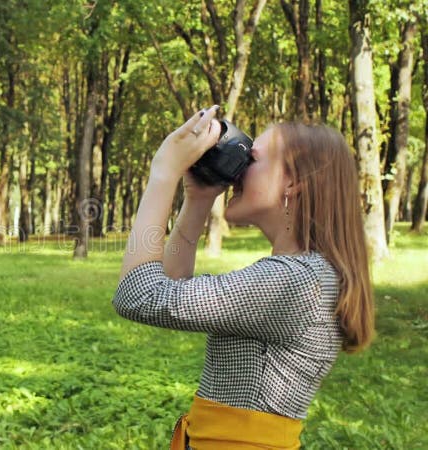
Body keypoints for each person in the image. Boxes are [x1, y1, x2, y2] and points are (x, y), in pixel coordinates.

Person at [111, 105, 374, 449]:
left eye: (252, 159)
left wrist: (163, 172)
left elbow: (139, 296)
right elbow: (168, 284)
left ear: (294, 183)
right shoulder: (310, 274)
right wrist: (198, 200)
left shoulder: (295, 282)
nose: (237, 171)